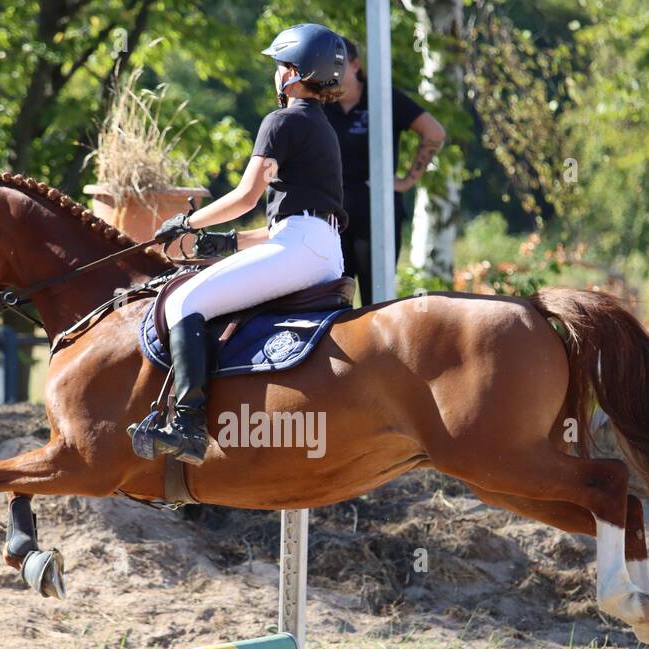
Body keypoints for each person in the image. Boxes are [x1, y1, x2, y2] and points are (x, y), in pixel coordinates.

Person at [131, 23, 349, 466]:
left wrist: (186, 222)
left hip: (300, 249)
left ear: (294, 72)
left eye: (279, 65)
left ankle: (188, 423)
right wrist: (227, 242)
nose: (275, 73)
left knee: (184, 301)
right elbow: (290, 223)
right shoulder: (322, 129)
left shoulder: (281, 121)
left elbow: (247, 196)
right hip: (319, 250)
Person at [326, 37, 446, 306]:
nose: (329, 72)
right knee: (332, 298)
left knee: (377, 298)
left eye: (336, 64)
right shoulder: (320, 102)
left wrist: (406, 180)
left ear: (355, 65)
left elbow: (434, 132)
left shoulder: (382, 98)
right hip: (331, 215)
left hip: (376, 212)